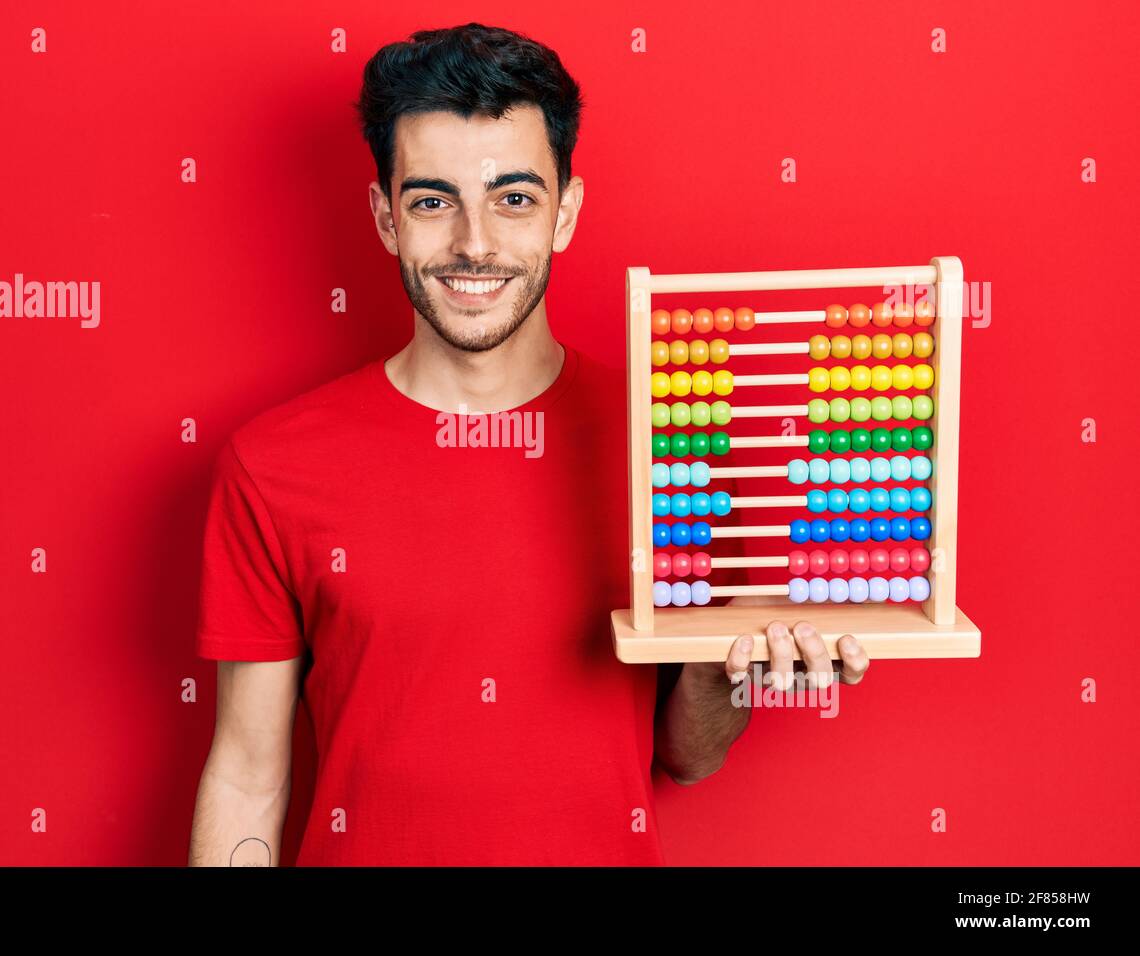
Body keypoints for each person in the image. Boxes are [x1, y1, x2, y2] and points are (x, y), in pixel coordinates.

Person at [187, 22, 869, 867]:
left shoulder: (673, 450)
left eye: (514, 197)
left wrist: (723, 676)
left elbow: (688, 757)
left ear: (567, 212)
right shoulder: (273, 466)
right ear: (385, 218)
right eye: (433, 200)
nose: (475, 244)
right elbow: (249, 776)